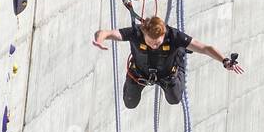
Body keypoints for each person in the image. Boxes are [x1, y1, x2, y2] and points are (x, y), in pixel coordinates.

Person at [92, 13, 243, 109]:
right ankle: (179, 53)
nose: (154, 45)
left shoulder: (174, 36)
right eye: (151, 42)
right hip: (139, 74)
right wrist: (100, 39)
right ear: (144, 33)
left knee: (174, 99)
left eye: (158, 42)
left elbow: (204, 48)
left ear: (164, 33)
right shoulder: (136, 33)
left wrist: (224, 60)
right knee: (129, 103)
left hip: (167, 75)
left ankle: (181, 56)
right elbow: (106, 32)